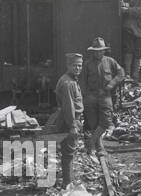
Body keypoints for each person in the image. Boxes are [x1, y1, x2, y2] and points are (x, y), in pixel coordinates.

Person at [80, 37, 124, 155]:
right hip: (91, 97)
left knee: (106, 122)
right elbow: (82, 82)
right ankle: (99, 148)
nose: (99, 53)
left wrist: (112, 83)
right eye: (96, 51)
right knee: (94, 124)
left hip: (105, 96)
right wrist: (84, 98)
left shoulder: (110, 61)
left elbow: (121, 73)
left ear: (104, 51)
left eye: (101, 50)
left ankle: (90, 143)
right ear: (93, 51)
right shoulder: (87, 64)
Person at [50, 51, 84, 188]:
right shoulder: (68, 83)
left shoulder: (70, 80)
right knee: (69, 152)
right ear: (68, 66)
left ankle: (68, 181)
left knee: (68, 152)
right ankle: (68, 183)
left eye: (80, 66)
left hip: (70, 120)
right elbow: (69, 106)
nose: (78, 68)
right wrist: (73, 126)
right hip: (68, 121)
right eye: (75, 65)